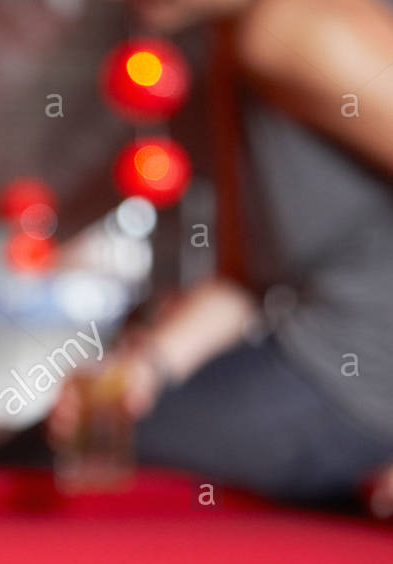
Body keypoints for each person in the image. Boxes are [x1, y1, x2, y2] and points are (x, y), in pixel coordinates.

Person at [48, 0, 393, 512]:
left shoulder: (296, 24)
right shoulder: (233, 53)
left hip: (360, 393)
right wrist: (144, 368)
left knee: (29, 458)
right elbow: (242, 282)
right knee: (69, 450)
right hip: (319, 375)